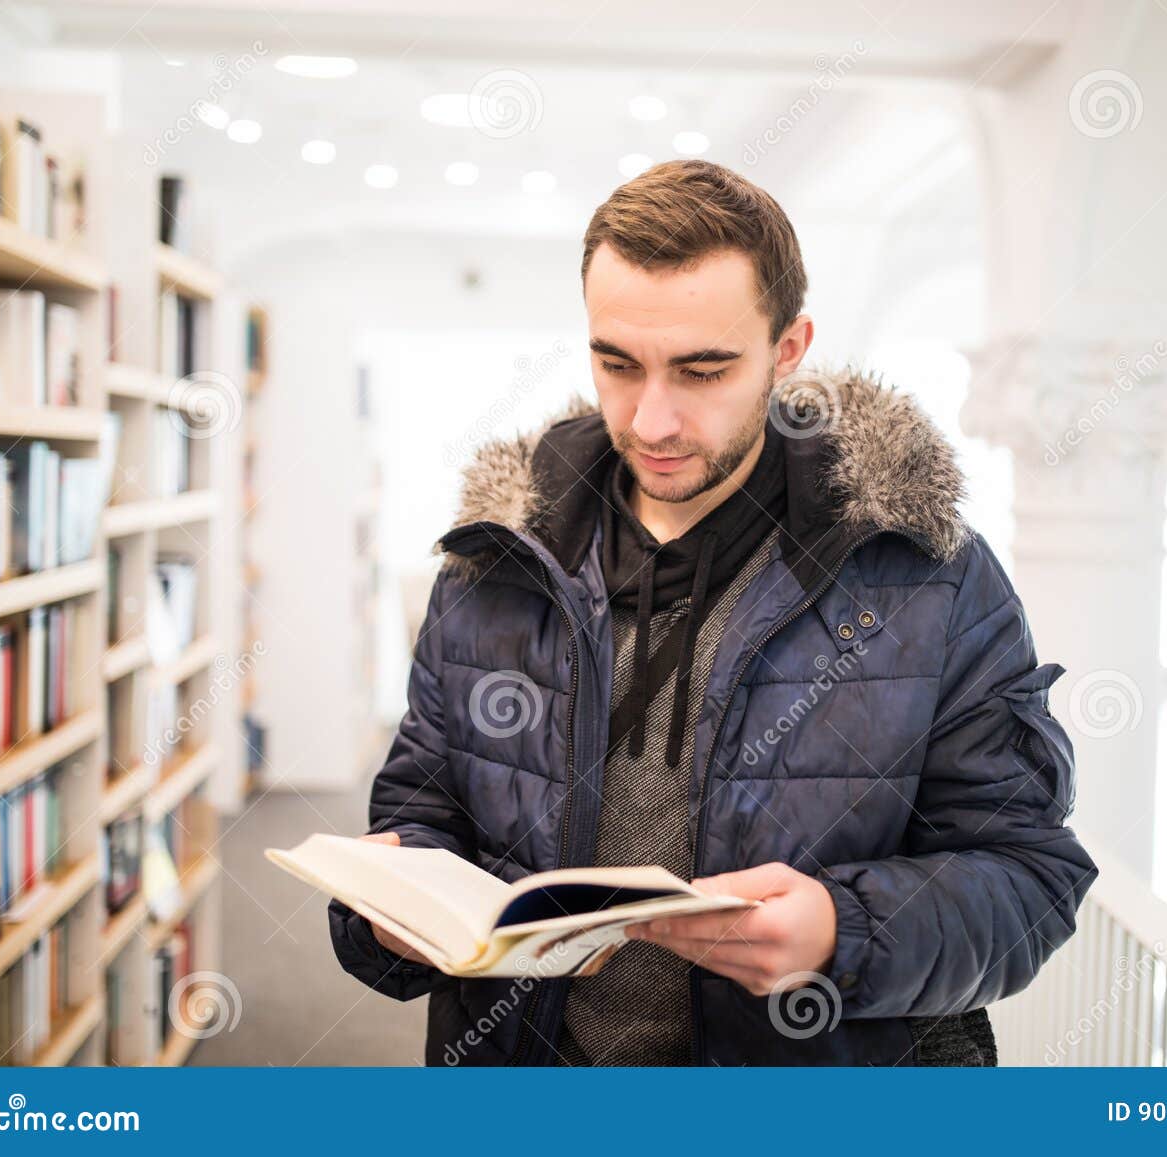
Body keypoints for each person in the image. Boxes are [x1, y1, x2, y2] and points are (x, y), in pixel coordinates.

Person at [329, 159, 1097, 1066]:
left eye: (703, 370)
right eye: (617, 364)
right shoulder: (493, 562)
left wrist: (840, 931)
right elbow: (420, 819)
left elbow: (1028, 881)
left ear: (788, 350)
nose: (653, 420)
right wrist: (386, 919)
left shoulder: (930, 578)